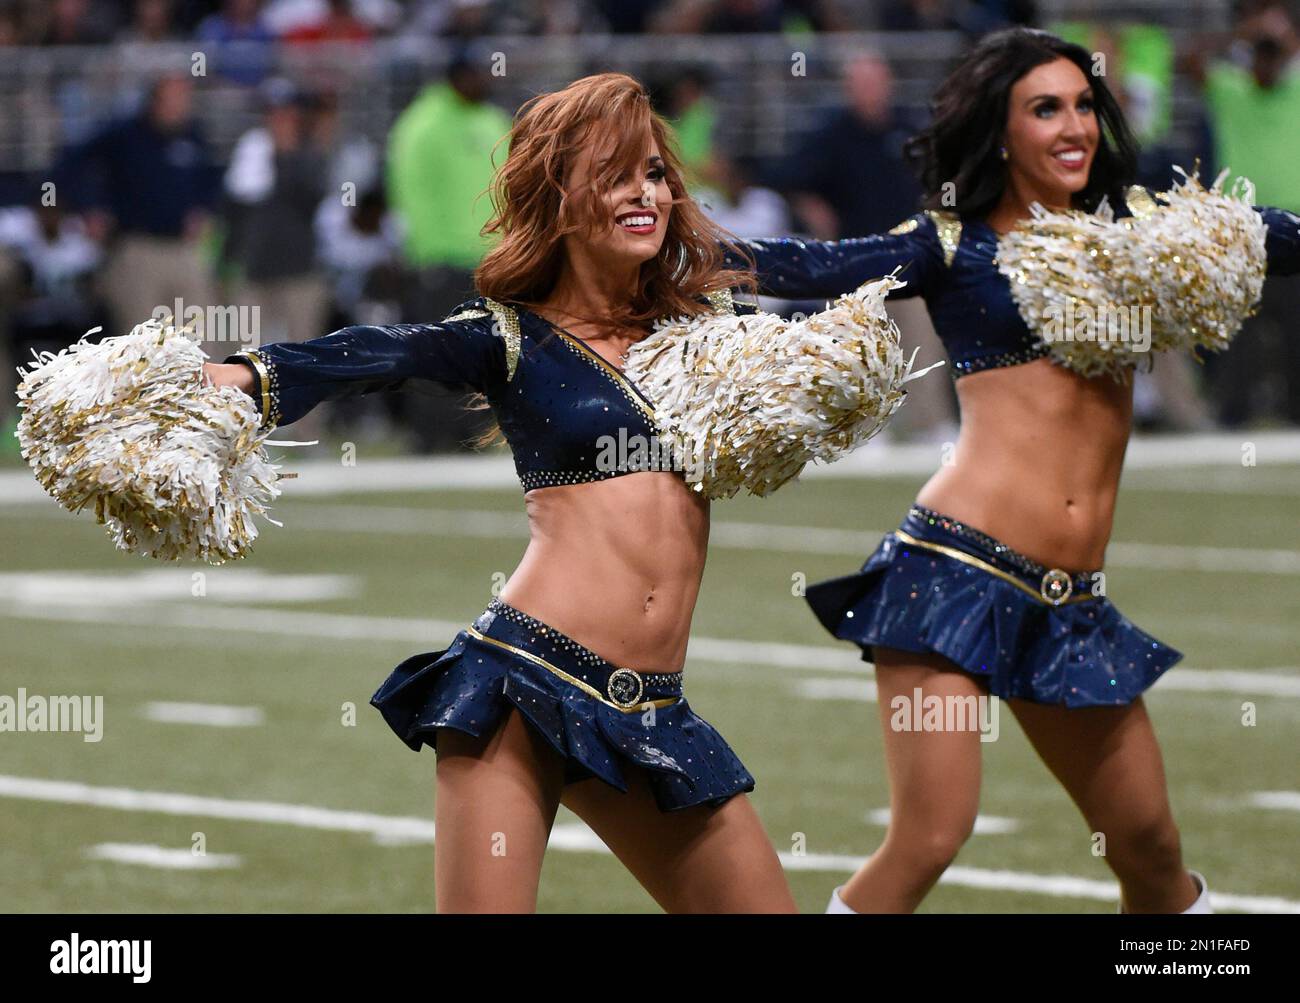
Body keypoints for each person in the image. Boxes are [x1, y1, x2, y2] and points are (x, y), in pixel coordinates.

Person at [730, 27, 1300, 914]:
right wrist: (671, 247)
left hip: (1073, 603)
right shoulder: (953, 247)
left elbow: (1273, 236)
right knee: (930, 834)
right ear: (1001, 133)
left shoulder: (1144, 241)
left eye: (1083, 105)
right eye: (1045, 109)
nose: (1073, 125)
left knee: (1151, 849)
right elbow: (813, 267)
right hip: (952, 579)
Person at [202, 73, 800, 914]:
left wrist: (954, 252)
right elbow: (384, 351)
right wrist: (245, 375)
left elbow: (836, 270)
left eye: (655, 172)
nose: (645, 193)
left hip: (650, 705)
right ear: (557, 198)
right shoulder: (513, 338)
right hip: (522, 683)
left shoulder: (699, 330)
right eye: (613, 172)